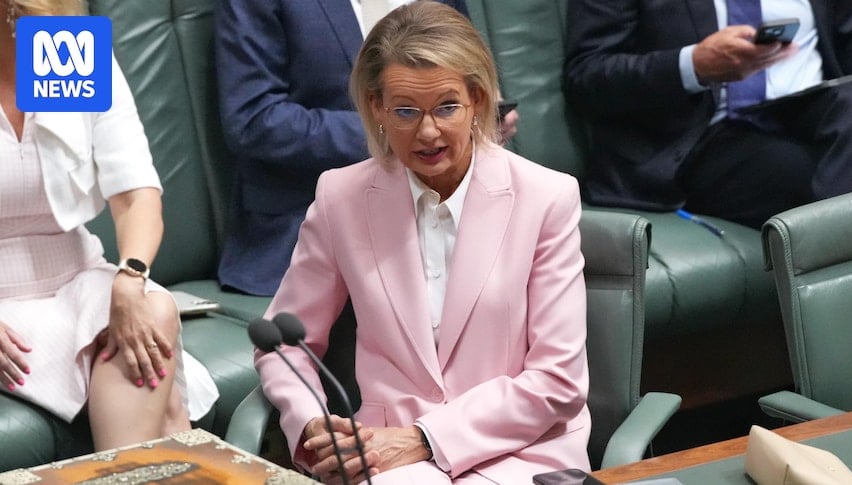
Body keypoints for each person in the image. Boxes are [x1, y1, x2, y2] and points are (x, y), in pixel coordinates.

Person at [256, 3, 590, 484]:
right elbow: (284, 343)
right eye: (406, 111)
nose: (428, 131)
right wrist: (313, 423)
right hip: (387, 460)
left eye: (447, 107)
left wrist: (425, 437)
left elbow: (558, 381)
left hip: (520, 454)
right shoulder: (341, 198)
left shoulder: (545, 197)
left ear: (477, 99)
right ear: (377, 107)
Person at [0, 0, 216, 451]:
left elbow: (136, 194)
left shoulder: (63, 51)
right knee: (168, 412)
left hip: (75, 279)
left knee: (150, 310)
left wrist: (131, 277)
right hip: (7, 309)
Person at [214, 0, 518, 296]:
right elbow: (253, 119)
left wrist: (477, 115)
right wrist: (398, 129)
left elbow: (469, 75)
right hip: (314, 229)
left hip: (458, 218)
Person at [565, 0, 852, 228]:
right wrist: (693, 66)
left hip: (814, 111)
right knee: (813, 174)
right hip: (700, 137)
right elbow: (587, 75)